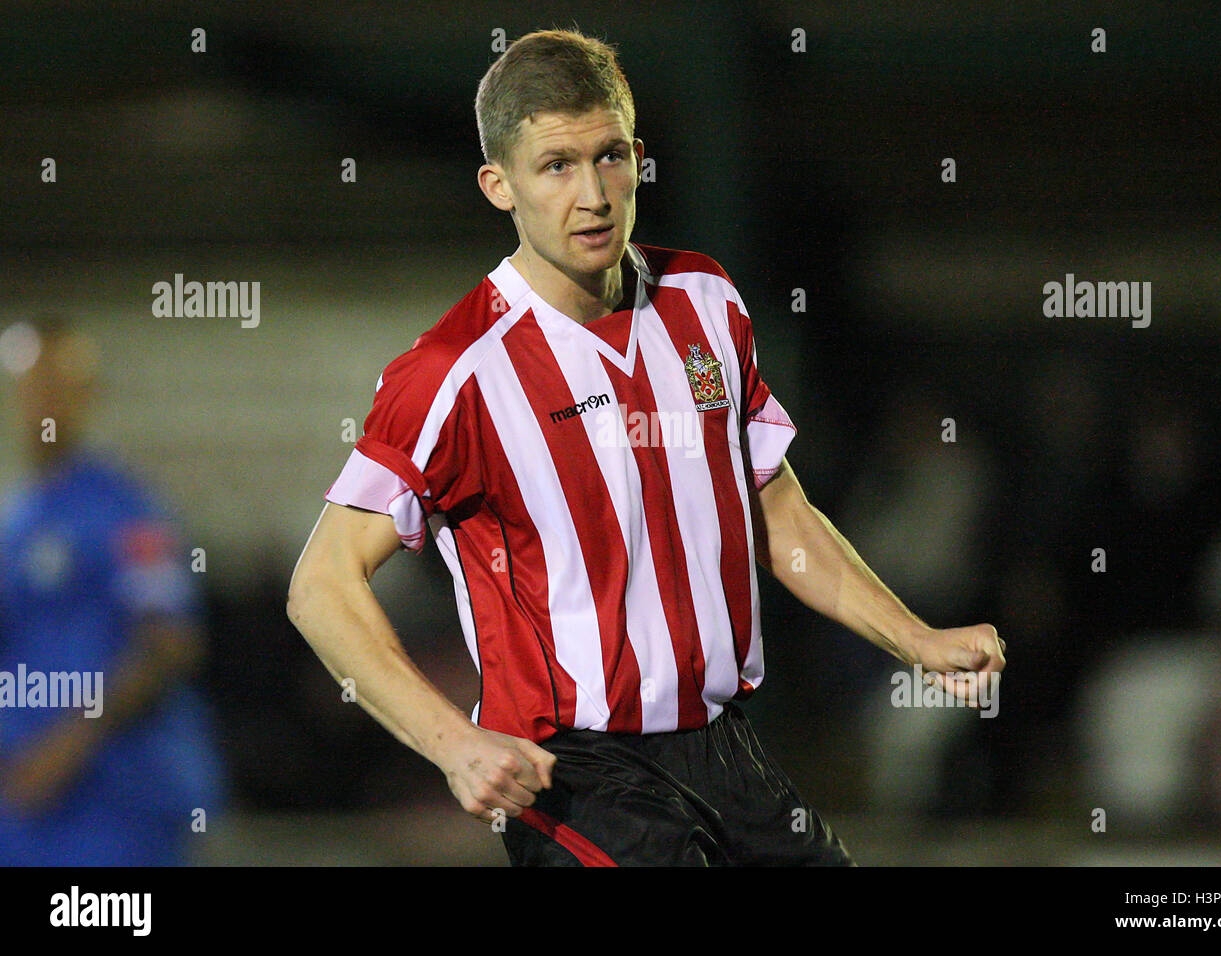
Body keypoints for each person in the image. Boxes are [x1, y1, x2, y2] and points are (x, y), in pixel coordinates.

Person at [287, 28, 1005, 866]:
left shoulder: (704, 299)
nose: (593, 193)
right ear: (499, 185)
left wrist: (913, 639)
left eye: (610, 157)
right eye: (556, 165)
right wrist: (453, 743)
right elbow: (321, 585)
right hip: (578, 774)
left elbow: (771, 505)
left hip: (723, 746)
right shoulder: (456, 370)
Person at [0, 316, 226, 865]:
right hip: (24, 805)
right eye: (31, 386)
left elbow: (170, 643)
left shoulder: (127, 512)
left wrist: (67, 746)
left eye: (60, 386)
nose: (43, 404)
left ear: (87, 396)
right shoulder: (16, 518)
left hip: (111, 804)